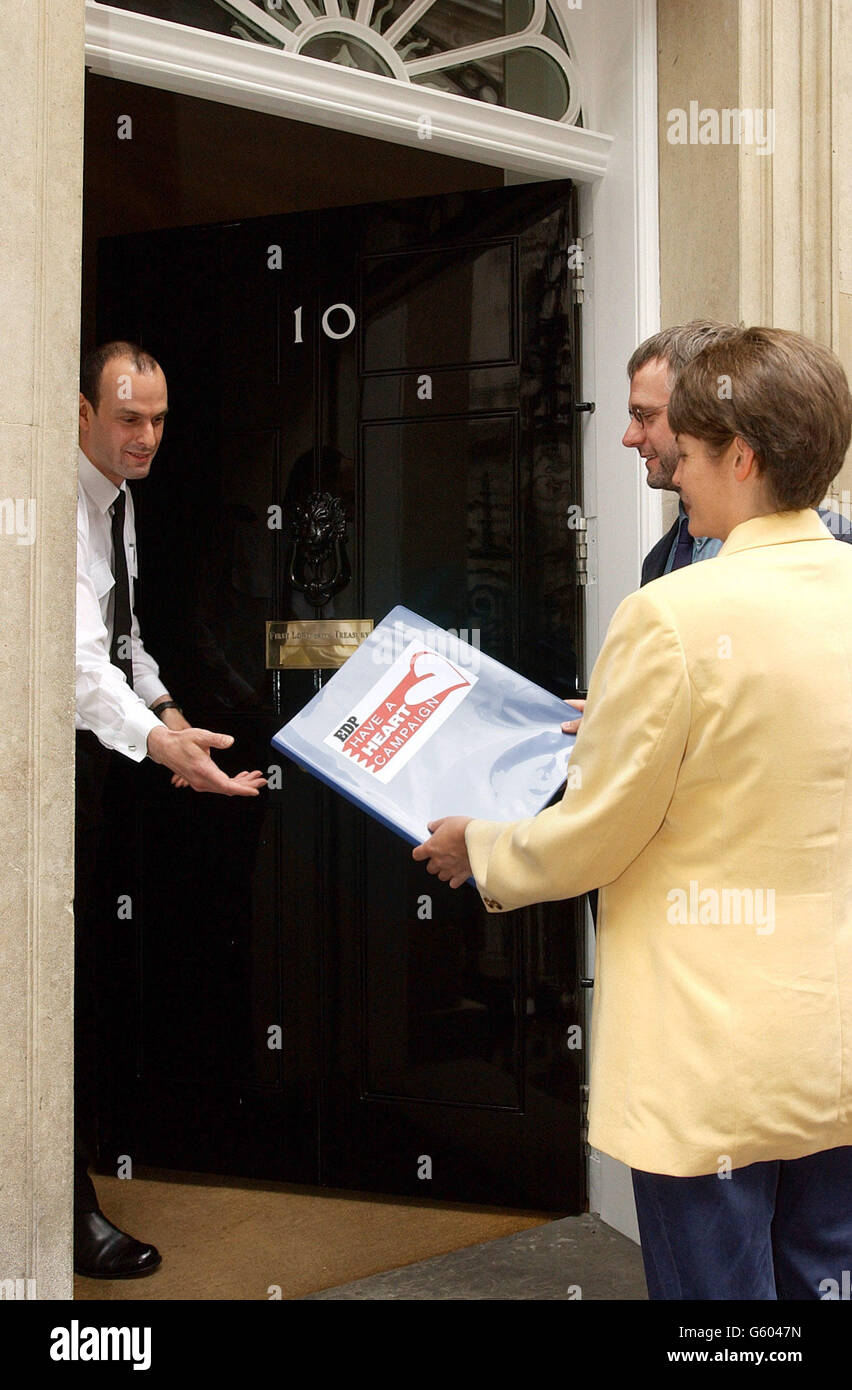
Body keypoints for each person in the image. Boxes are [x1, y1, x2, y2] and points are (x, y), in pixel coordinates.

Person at [413, 326, 852, 1299]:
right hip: (834, 1037)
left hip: (713, 1052)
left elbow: (595, 833)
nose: (675, 479)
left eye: (684, 453)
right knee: (825, 1277)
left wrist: (480, 848)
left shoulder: (672, 615)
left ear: (742, 457)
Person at [75, 341, 265, 1278]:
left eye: (157, 419)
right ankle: (63, 1209)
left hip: (102, 767)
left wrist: (175, 728)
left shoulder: (123, 502)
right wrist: (158, 744)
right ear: (81, 411)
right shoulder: (59, 502)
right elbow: (69, 662)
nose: (146, 436)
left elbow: (127, 645)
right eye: (127, 419)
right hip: (46, 774)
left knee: (90, 973)